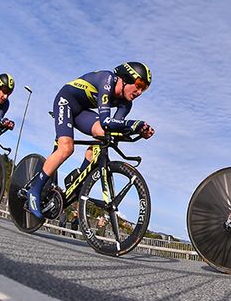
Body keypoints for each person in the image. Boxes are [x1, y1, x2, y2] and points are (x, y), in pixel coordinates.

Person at [25, 62, 155, 218]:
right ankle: (35, 189)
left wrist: (139, 130)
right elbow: (107, 121)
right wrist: (133, 124)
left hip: (81, 112)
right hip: (65, 101)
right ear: (125, 78)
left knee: (106, 136)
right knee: (66, 148)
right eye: (139, 84)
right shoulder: (107, 79)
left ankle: (79, 175)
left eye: (144, 88)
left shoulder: (126, 104)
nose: (139, 92)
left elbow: (112, 129)